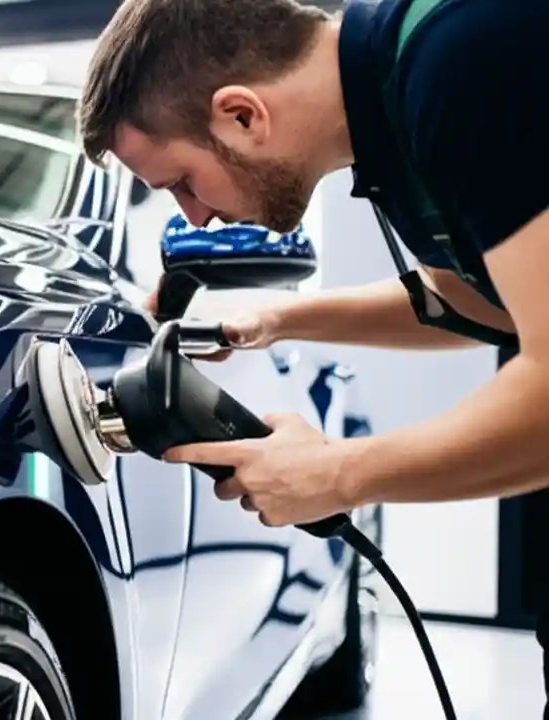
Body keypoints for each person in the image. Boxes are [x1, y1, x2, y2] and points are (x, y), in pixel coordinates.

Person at [77, 0, 548, 708]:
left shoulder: (463, 60)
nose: (193, 218)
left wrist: (340, 473)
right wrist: (275, 319)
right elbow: (475, 301)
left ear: (242, 115)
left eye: (180, 183)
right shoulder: (398, 108)